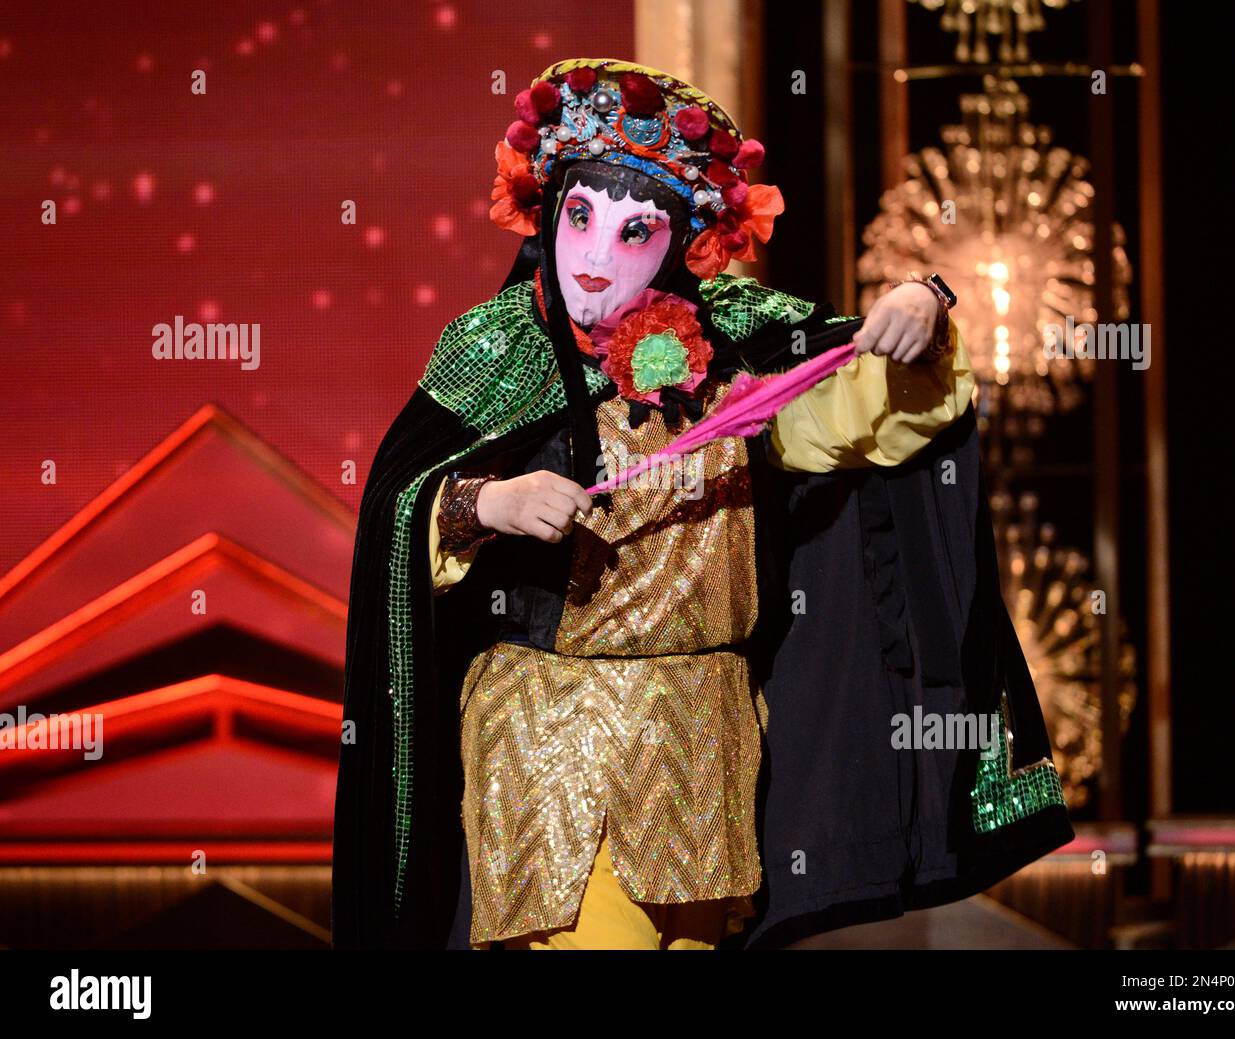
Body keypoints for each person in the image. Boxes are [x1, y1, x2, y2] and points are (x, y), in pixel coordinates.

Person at [331, 57, 1074, 951]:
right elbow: (399, 509)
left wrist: (924, 308)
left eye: (635, 230)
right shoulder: (493, 347)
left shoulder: (737, 344)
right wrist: (486, 501)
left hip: (706, 738)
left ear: (684, 242)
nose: (598, 261)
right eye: (580, 218)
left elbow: (865, 412)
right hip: (553, 745)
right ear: (545, 209)